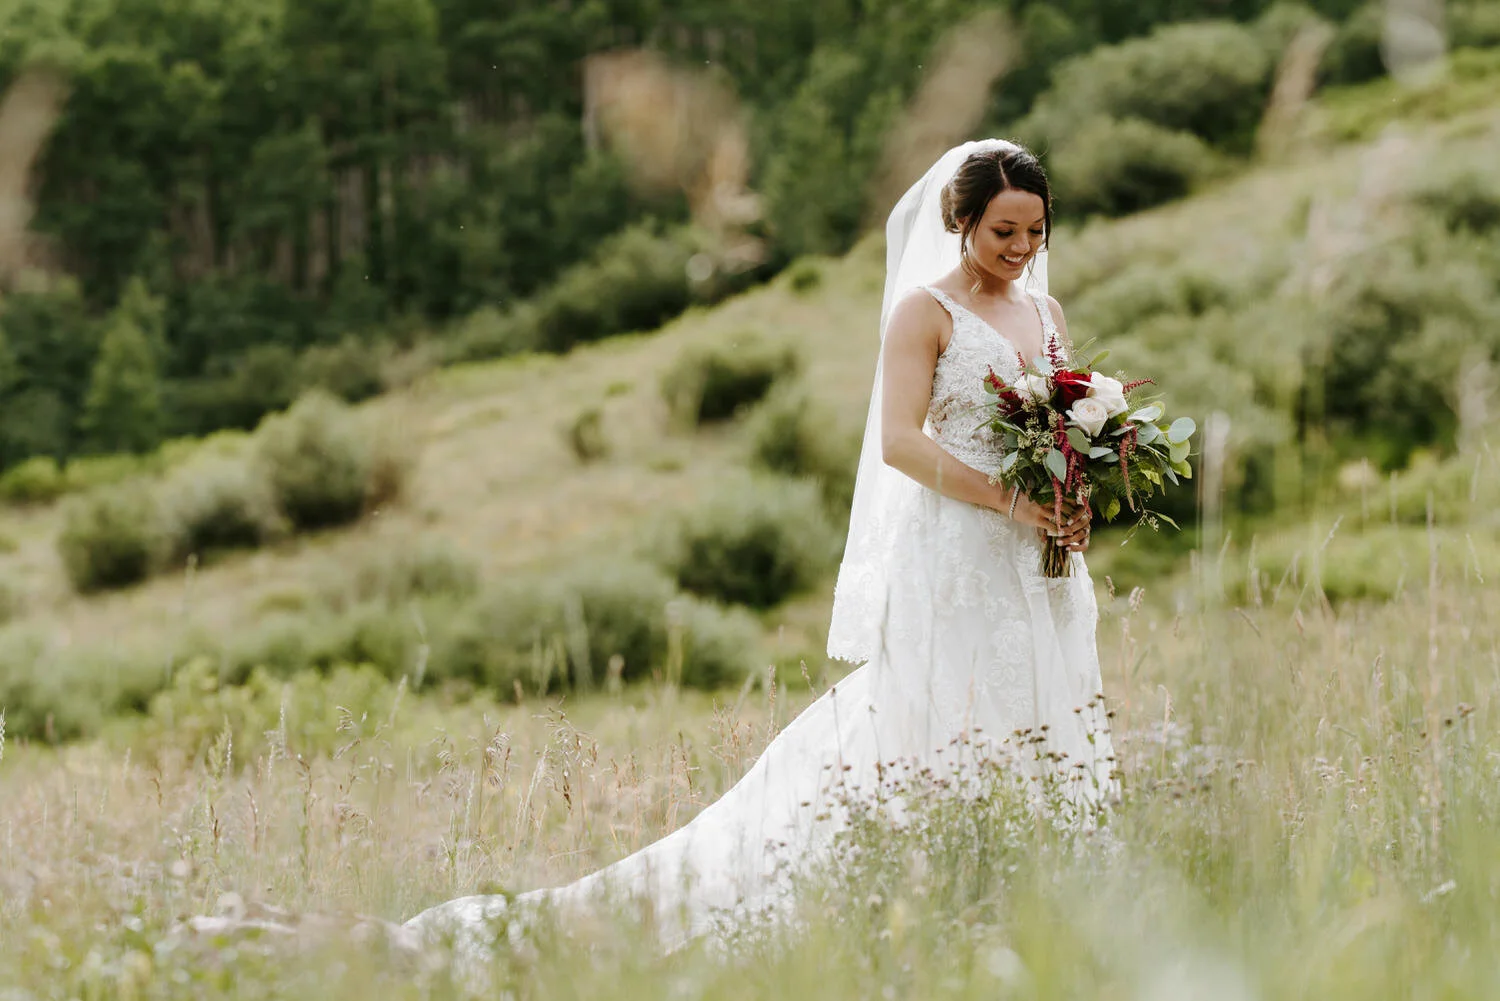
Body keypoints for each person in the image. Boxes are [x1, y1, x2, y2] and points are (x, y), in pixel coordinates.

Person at [404, 138, 1117, 952]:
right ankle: (924, 888)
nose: (1022, 250)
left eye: (1036, 232)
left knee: (1046, 705)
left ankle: (1045, 896)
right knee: (947, 717)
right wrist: (1007, 501)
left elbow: (1059, 431)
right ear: (961, 222)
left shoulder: (1046, 313)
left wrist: (1068, 503)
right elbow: (897, 443)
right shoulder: (926, 312)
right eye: (1003, 233)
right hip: (959, 551)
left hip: (1038, 560)